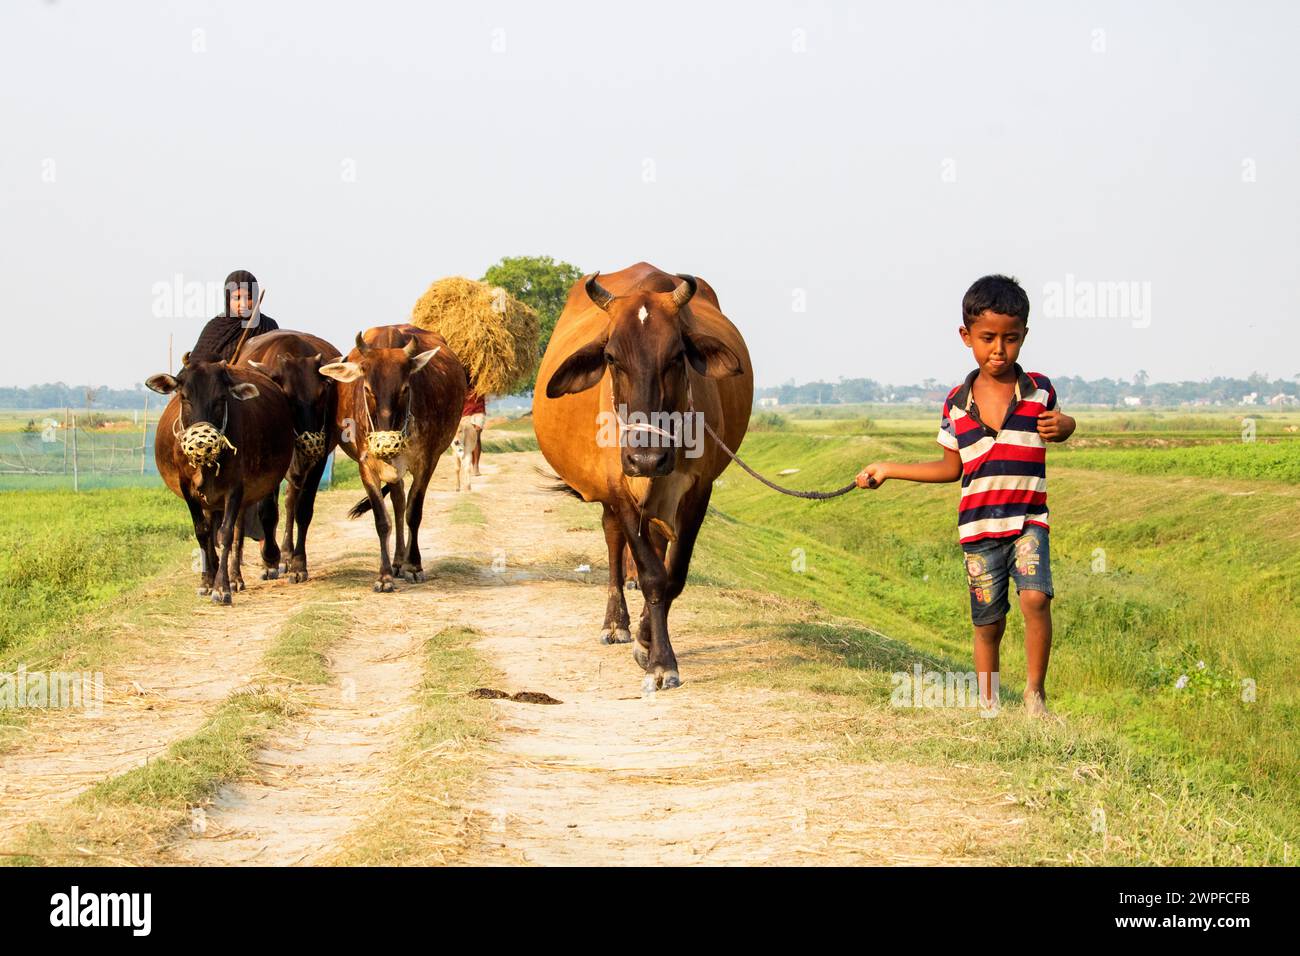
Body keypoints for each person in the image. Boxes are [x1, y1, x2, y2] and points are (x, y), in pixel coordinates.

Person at [855, 275, 1076, 717]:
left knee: (1036, 598)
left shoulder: (1040, 389)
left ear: (1024, 337)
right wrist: (889, 469)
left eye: (1010, 339)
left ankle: (1035, 695)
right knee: (988, 623)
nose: (999, 349)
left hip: (1029, 519)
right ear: (966, 337)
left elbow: (1061, 424)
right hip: (978, 531)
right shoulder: (956, 404)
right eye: (988, 338)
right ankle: (989, 704)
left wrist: (1067, 426)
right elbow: (949, 468)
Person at [190, 269, 279, 364]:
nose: (243, 304)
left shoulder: (268, 326)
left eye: (248, 298)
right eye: (237, 298)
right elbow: (195, 367)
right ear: (228, 299)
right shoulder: (216, 328)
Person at [460, 387, 487, 476]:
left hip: (479, 410)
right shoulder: (461, 378)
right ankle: (471, 464)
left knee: (476, 436)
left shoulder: (482, 378)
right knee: (468, 439)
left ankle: (476, 466)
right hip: (465, 412)